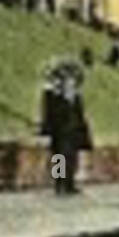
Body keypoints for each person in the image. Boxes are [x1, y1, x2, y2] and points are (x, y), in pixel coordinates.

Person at [40, 64, 93, 195]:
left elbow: (80, 114)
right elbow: (48, 113)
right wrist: (47, 129)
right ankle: (59, 184)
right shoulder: (52, 94)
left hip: (73, 131)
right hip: (59, 131)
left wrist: (83, 131)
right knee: (59, 157)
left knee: (71, 158)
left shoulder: (75, 95)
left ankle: (69, 183)